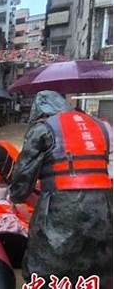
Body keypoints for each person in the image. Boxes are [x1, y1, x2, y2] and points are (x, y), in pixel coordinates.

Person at [8, 90, 112, 286]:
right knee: (96, 266)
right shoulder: (100, 126)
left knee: (46, 263)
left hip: (61, 206)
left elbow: (23, 174)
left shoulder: (43, 129)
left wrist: (16, 198)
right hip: (104, 208)